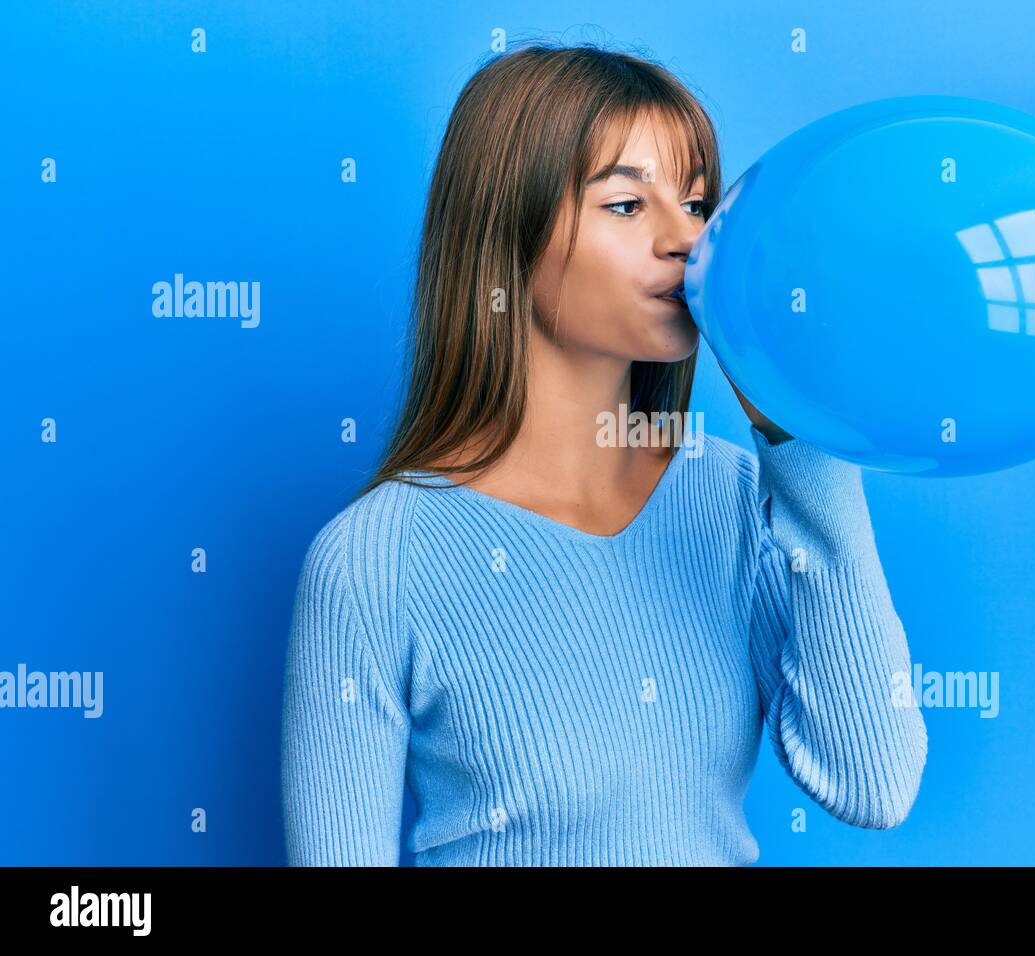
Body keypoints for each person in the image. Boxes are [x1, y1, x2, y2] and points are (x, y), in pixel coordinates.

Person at [280, 40, 927, 867]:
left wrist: (799, 442)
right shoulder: (375, 558)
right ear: (506, 234)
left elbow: (873, 782)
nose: (683, 239)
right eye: (627, 205)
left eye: (696, 204)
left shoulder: (734, 495)